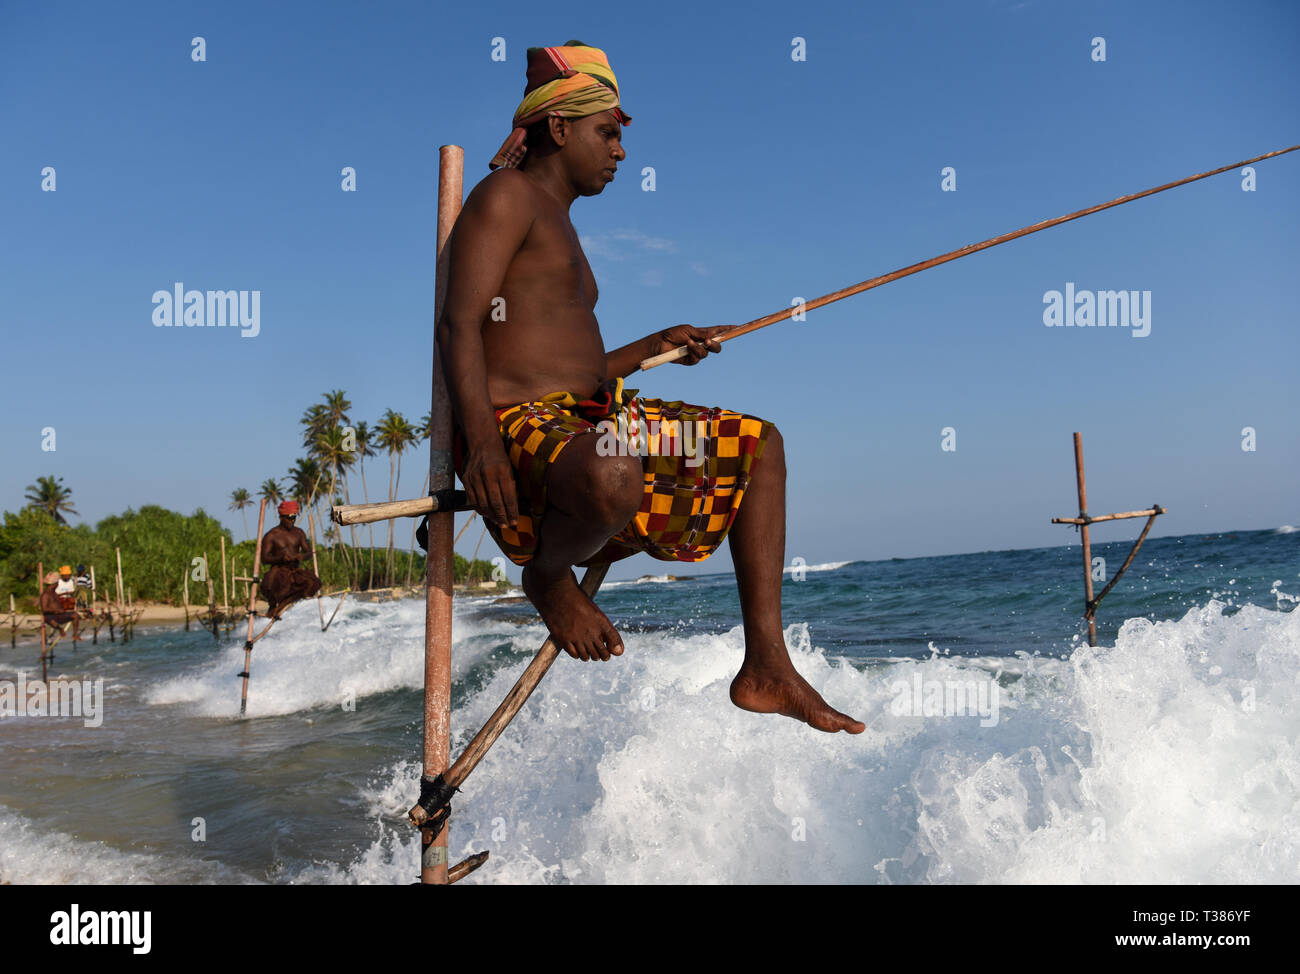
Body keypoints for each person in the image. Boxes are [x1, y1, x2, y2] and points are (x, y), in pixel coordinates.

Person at [434, 41, 863, 734]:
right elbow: (457, 325)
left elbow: (571, 370)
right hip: (517, 425)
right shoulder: (506, 197)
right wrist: (480, 445)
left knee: (757, 447)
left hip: (587, 416)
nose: (620, 152)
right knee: (610, 470)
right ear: (560, 127)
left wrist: (652, 346)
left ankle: (766, 666)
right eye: (608, 132)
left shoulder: (563, 225)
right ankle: (547, 577)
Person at [258, 501, 320, 620]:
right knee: (268, 585)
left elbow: (309, 552)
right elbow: (264, 558)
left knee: (313, 583)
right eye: (289, 518)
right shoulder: (271, 535)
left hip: (295, 570)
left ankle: (282, 605)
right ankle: (272, 606)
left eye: (294, 517)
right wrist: (280, 558)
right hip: (279, 569)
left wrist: (301, 556)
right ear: (281, 517)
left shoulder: (299, 533)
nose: (292, 520)